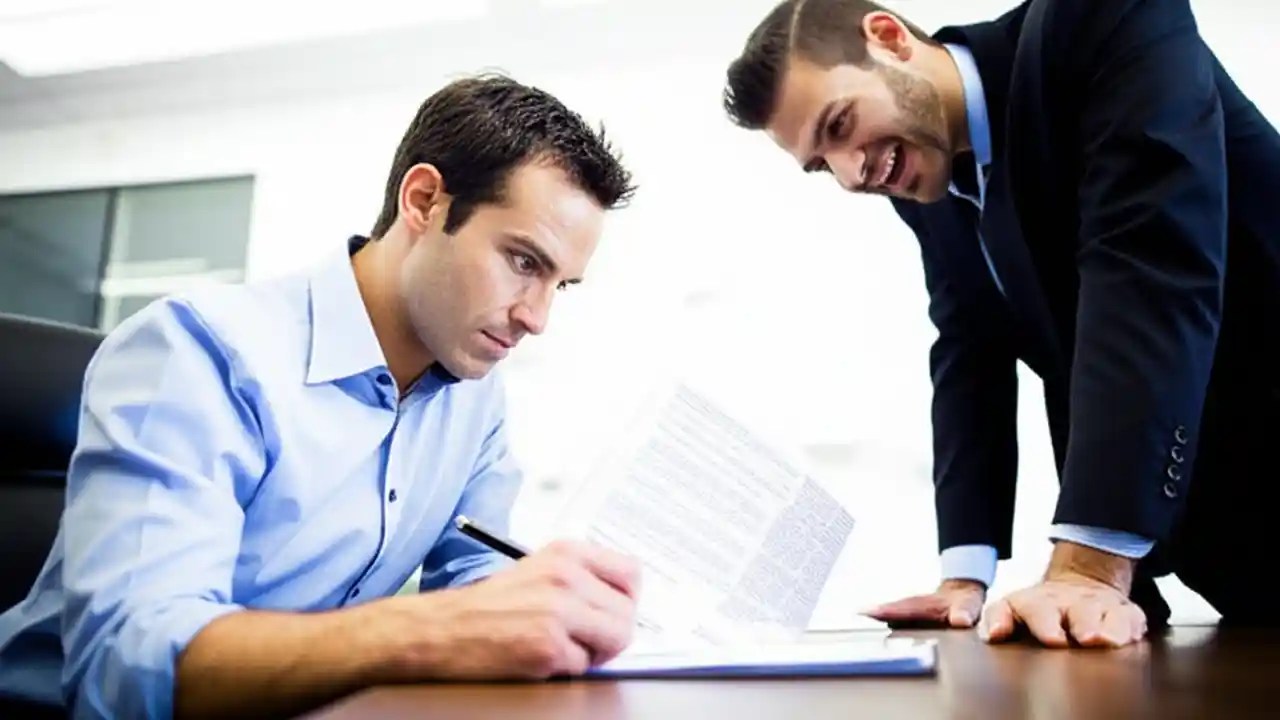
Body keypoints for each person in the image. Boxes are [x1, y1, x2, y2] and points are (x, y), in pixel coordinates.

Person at [0, 74, 640, 719]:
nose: (537, 318)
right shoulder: (198, 351)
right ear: (424, 201)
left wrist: (546, 613)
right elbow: (124, 671)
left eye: (562, 284)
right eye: (524, 262)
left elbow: (477, 571)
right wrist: (434, 630)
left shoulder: (475, 400)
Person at [722, 0, 1280, 647]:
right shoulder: (927, 178)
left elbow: (1147, 263)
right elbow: (968, 348)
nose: (852, 173)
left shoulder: (1098, 21)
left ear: (888, 38)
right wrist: (964, 572)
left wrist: (1089, 564)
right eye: (822, 163)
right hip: (1243, 557)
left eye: (840, 124)